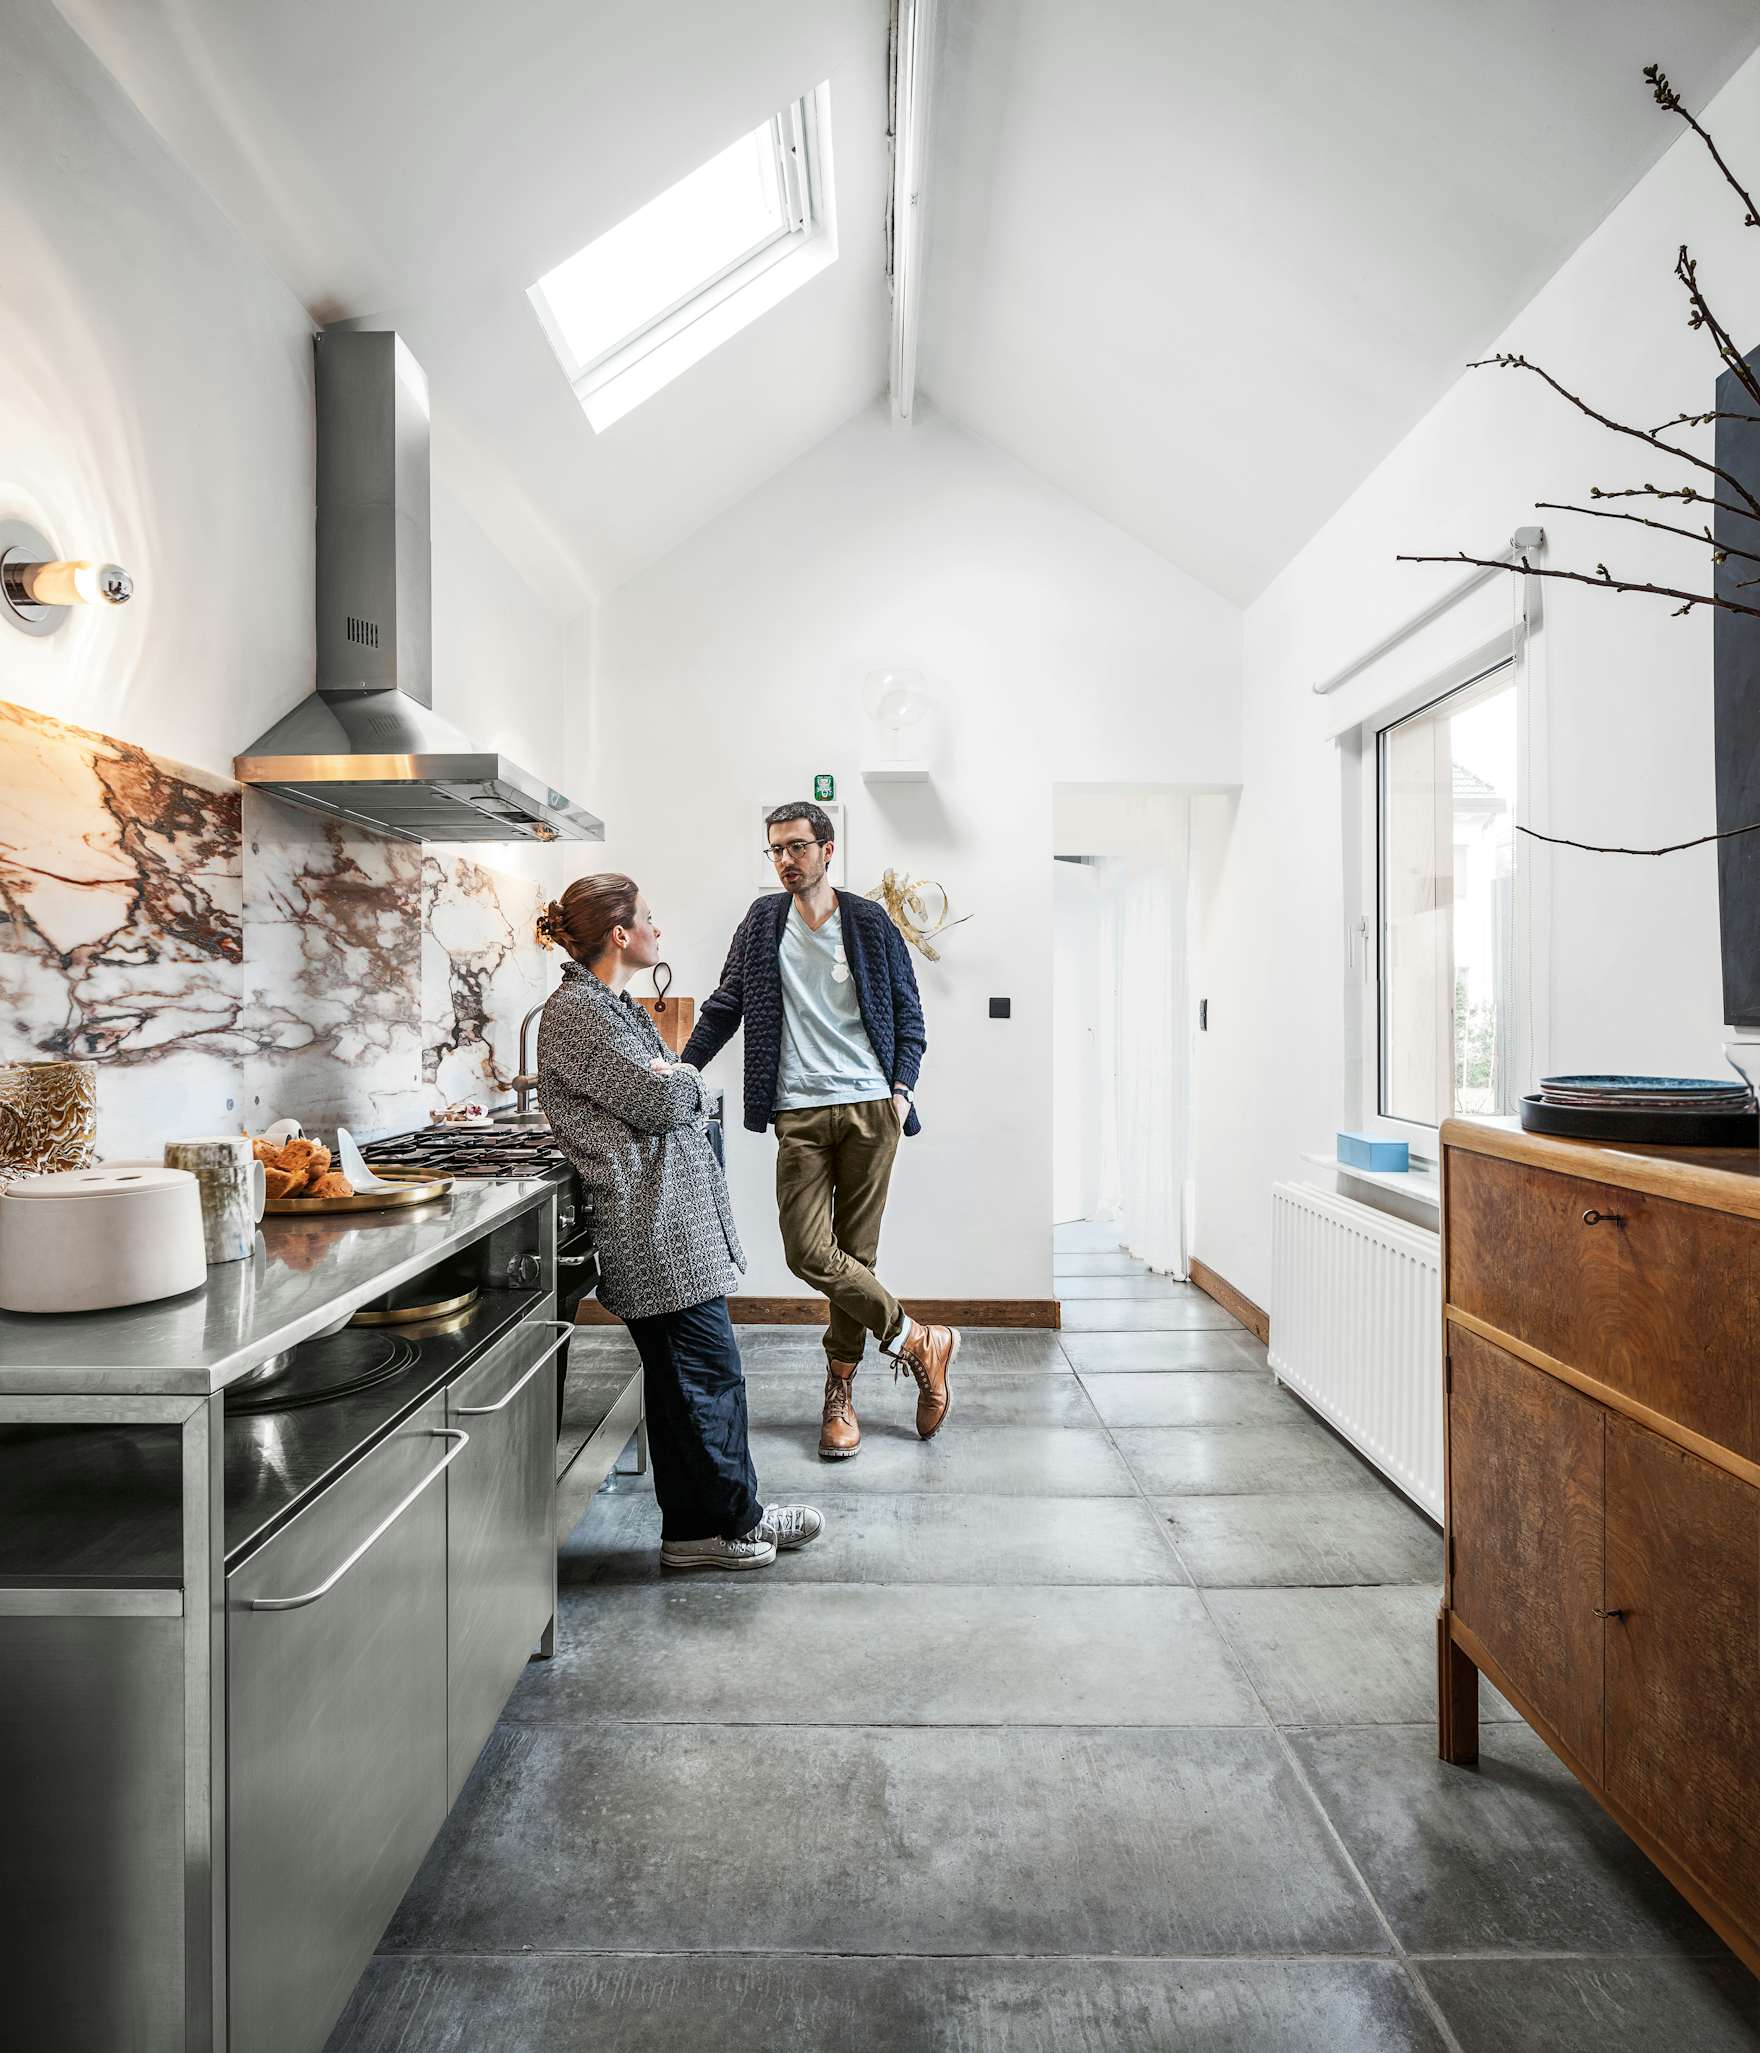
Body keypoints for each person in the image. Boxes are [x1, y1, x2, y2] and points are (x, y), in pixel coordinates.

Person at [536, 873, 822, 1571]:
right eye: (650, 920)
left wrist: (675, 1076)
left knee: (683, 1385)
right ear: (620, 933)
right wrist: (679, 1079)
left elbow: (669, 1081)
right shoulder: (579, 1012)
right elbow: (660, 1100)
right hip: (651, 1227)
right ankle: (734, 1524)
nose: (658, 931)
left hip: (667, 1223)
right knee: (706, 1377)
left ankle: (701, 1527)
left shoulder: (609, 1004)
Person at [681, 804, 957, 1461]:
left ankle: (839, 1396)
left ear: (828, 850)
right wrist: (685, 1065)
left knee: (855, 1259)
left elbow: (910, 1014)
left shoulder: (869, 920)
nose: (785, 860)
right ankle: (919, 1338)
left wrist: (900, 1090)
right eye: (775, 849)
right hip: (799, 1112)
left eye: (797, 846)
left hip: (870, 1108)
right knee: (810, 1252)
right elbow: (726, 1002)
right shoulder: (761, 922)